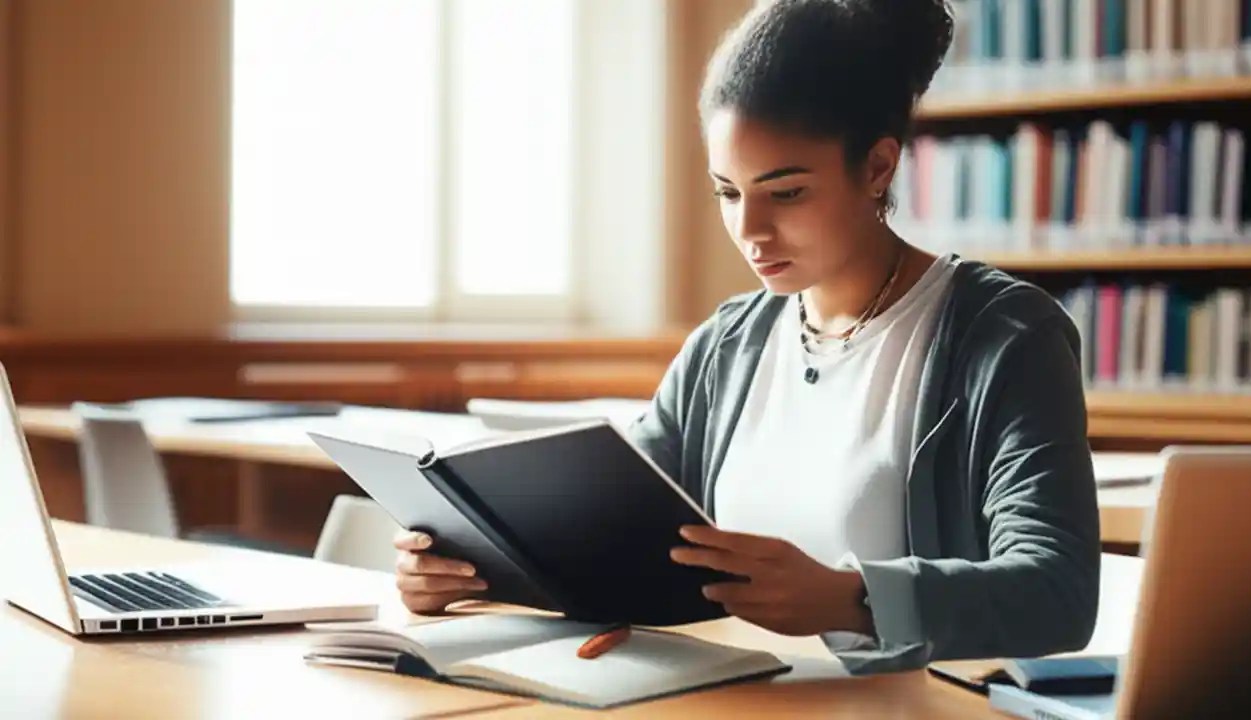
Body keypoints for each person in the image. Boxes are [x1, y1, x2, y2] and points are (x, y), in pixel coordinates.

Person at [392, 0, 1100, 674]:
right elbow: (615, 536)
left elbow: (1056, 592)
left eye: (786, 192)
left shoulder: (1007, 336)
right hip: (718, 697)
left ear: (878, 167)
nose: (751, 231)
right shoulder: (724, 346)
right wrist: (473, 570)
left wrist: (849, 597)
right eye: (728, 193)